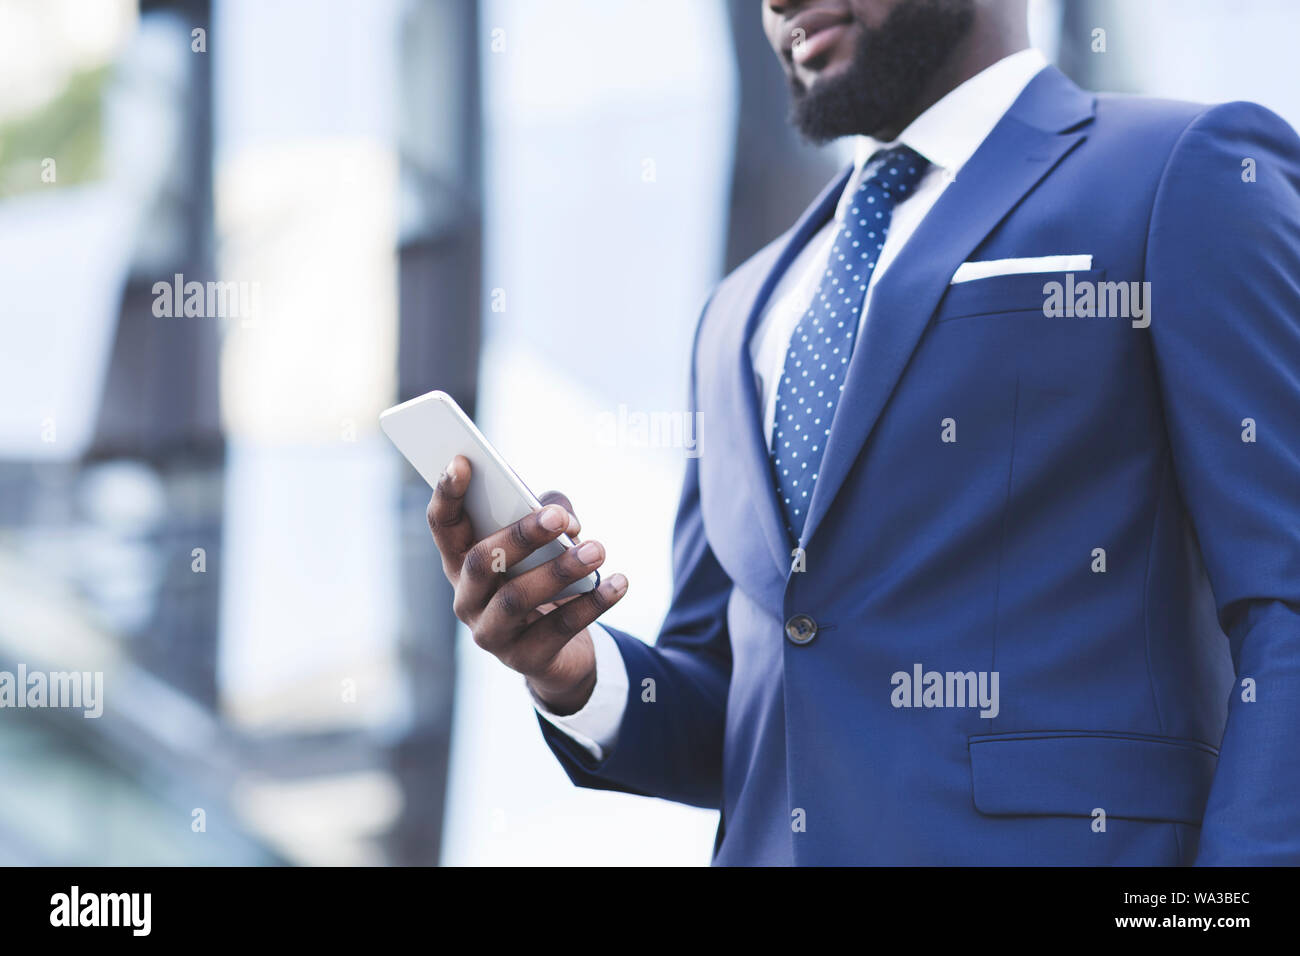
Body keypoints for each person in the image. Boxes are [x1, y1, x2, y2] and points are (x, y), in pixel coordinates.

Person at [426, 0, 1300, 864]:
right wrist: (574, 672)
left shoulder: (1187, 170)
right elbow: (743, 702)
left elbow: (1285, 597)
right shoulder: (739, 312)